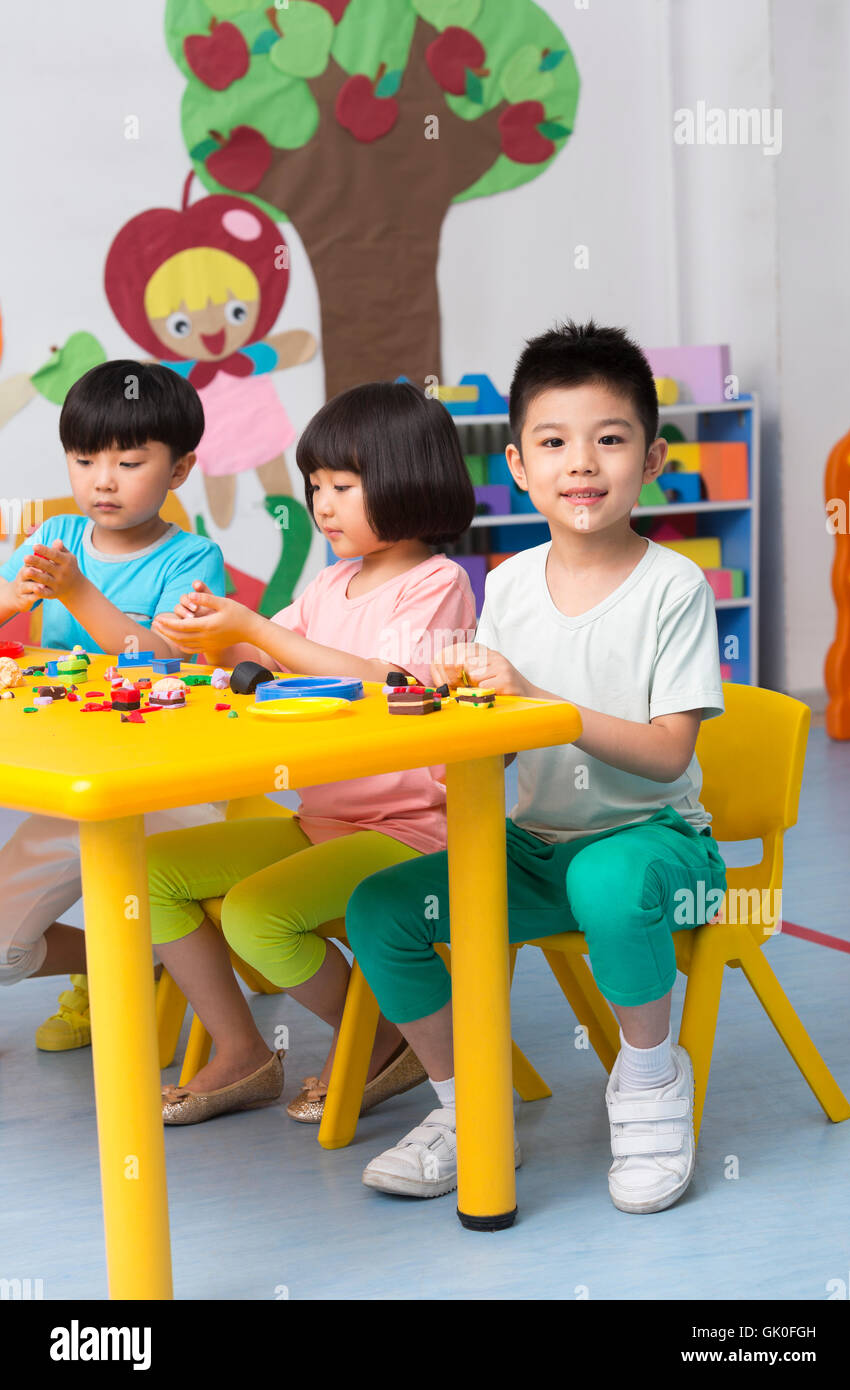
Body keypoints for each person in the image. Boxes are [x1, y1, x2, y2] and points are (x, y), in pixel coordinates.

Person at [344, 321, 728, 1215]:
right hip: (537, 848)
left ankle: (647, 1081)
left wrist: (534, 696)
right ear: (518, 466)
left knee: (607, 876)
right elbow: (503, 730)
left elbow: (669, 751)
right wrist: (463, 709)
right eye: (554, 442)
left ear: (653, 456)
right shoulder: (509, 583)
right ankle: (467, 1105)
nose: (581, 462)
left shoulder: (674, 587)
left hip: (660, 848)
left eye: (610, 438)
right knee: (381, 909)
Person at [145, 380, 477, 1125]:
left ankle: (382, 1034)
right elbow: (271, 655)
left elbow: (386, 680)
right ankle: (243, 1050)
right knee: (151, 872)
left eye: (344, 486)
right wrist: (207, 635)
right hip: (322, 819)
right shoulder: (333, 581)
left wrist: (257, 634)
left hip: (409, 833)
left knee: (256, 915)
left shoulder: (437, 583)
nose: (322, 504)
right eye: (316, 485)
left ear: (407, 481)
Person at [0, 360, 225, 1049]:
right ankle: (127, 966)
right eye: (84, 459)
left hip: (165, 786)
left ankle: (155, 959)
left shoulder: (193, 558)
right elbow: (10, 604)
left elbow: (165, 660)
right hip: (76, 785)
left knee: (148, 897)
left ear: (180, 470)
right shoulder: (56, 539)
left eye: (129, 461)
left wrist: (76, 593)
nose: (103, 479)